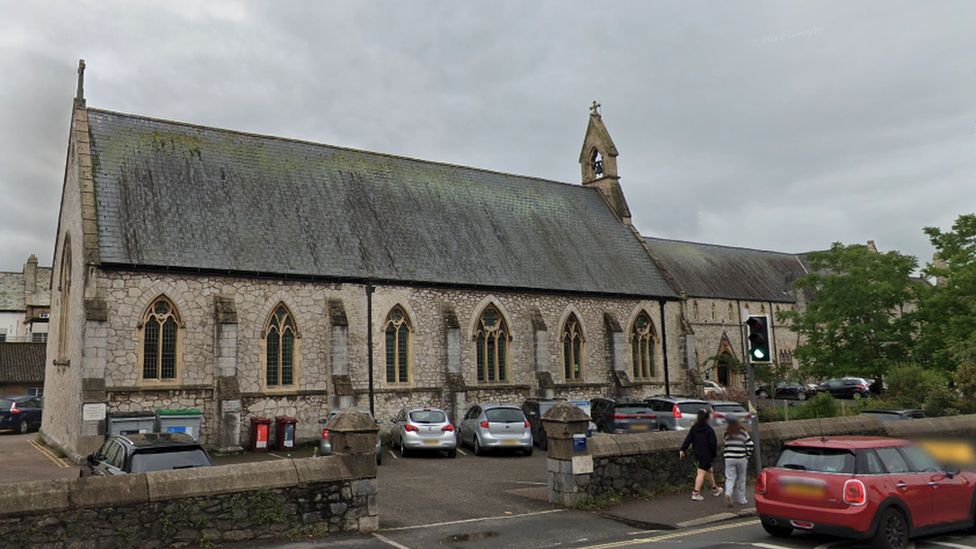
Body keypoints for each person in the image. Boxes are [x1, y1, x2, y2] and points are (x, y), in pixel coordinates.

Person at [679, 408, 722, 501]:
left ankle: (715, 489)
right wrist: (713, 454)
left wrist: (683, 450)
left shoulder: (694, 428)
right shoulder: (709, 429)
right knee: (701, 473)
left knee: (709, 470)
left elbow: (688, 439)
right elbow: (713, 444)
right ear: (707, 418)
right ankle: (695, 493)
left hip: (698, 453)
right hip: (707, 454)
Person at [722, 414, 754, 507]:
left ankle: (728, 493)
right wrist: (747, 455)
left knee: (730, 478)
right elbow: (750, 444)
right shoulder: (743, 433)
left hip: (729, 458)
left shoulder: (726, 433)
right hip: (741, 458)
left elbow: (725, 444)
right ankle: (741, 499)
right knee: (741, 478)